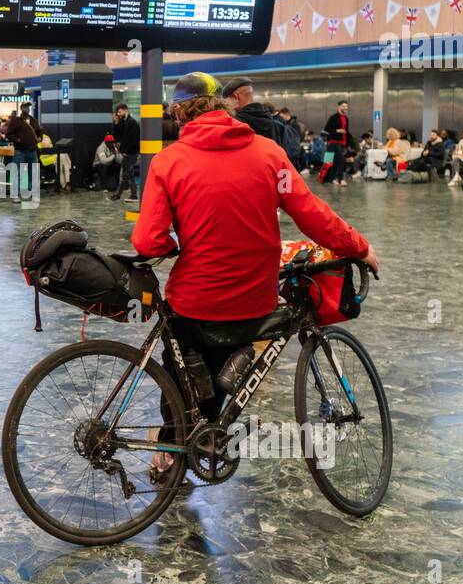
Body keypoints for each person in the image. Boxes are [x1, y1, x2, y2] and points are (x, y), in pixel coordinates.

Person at [131, 73, 377, 445]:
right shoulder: (268, 153)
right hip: (255, 302)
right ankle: (197, 438)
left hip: (194, 303)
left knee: (185, 382)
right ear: (226, 106)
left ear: (179, 114)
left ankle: (174, 448)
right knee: (222, 380)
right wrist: (359, 247)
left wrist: (175, 244)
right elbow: (313, 214)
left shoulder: (169, 162)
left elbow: (148, 241)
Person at [4, 103, 40, 202]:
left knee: (33, 173)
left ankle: (34, 194)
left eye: (28, 107)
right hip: (20, 151)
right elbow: (8, 134)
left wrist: (39, 137)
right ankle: (14, 194)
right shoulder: (16, 121)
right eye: (25, 107)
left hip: (32, 150)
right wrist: (18, 140)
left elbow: (39, 131)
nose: (27, 109)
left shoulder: (33, 120)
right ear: (21, 109)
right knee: (17, 173)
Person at [110, 102, 141, 201]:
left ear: (125, 110)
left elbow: (134, 139)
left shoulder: (132, 123)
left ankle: (117, 195)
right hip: (127, 152)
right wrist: (116, 123)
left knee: (125, 175)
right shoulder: (124, 122)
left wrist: (127, 151)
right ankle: (134, 194)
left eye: (120, 112)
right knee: (130, 175)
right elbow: (117, 135)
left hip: (131, 153)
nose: (118, 114)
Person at [323, 100, 350, 185]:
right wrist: (337, 130)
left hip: (342, 143)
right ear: (339, 107)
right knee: (340, 159)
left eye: (346, 107)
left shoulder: (346, 119)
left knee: (335, 160)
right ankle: (341, 179)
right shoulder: (333, 117)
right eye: (343, 106)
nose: (345, 108)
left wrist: (348, 144)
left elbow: (347, 132)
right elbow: (326, 129)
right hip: (334, 142)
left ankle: (333, 178)